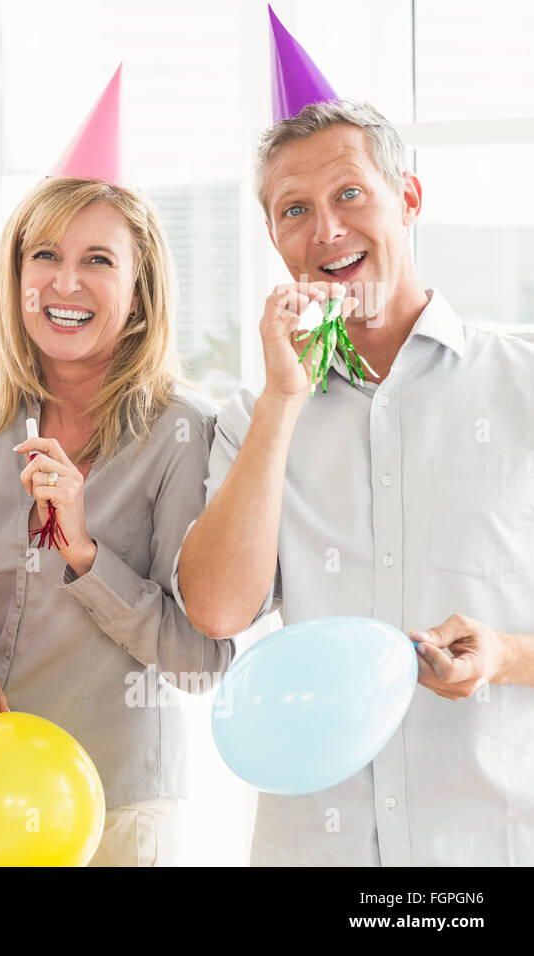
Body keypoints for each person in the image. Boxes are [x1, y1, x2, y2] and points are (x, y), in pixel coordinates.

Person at [175, 100, 534, 865]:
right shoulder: (253, 416)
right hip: (315, 846)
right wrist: (281, 403)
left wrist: (506, 655)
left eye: (349, 195)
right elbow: (216, 610)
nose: (326, 231)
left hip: (493, 844)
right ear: (274, 239)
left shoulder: (523, 386)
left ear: (408, 199)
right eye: (294, 210)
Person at [0, 175, 232, 867]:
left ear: (141, 289)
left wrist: (84, 553)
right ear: (16, 276)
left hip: (112, 814)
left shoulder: (189, 436)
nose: (65, 282)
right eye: (45, 255)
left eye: (99, 260)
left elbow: (201, 664)